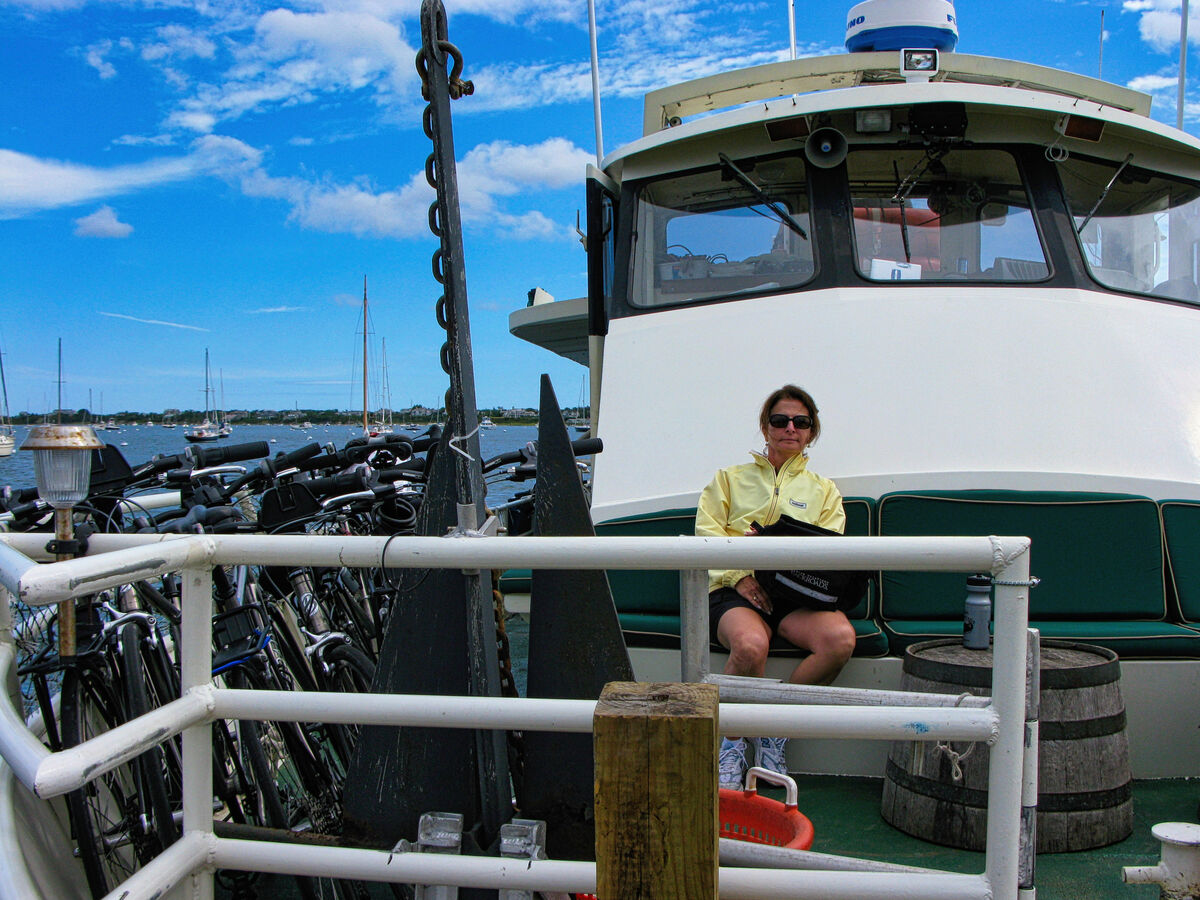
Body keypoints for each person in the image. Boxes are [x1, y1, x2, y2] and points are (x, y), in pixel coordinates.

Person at [695, 385, 856, 789]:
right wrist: (741, 575)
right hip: (734, 587)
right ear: (765, 428)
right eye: (780, 420)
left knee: (840, 641)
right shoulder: (728, 480)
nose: (790, 428)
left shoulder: (824, 491)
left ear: (811, 432)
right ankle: (730, 744)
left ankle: (773, 728)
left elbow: (828, 551)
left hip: (793, 594)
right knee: (750, 646)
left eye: (800, 422)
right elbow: (706, 535)